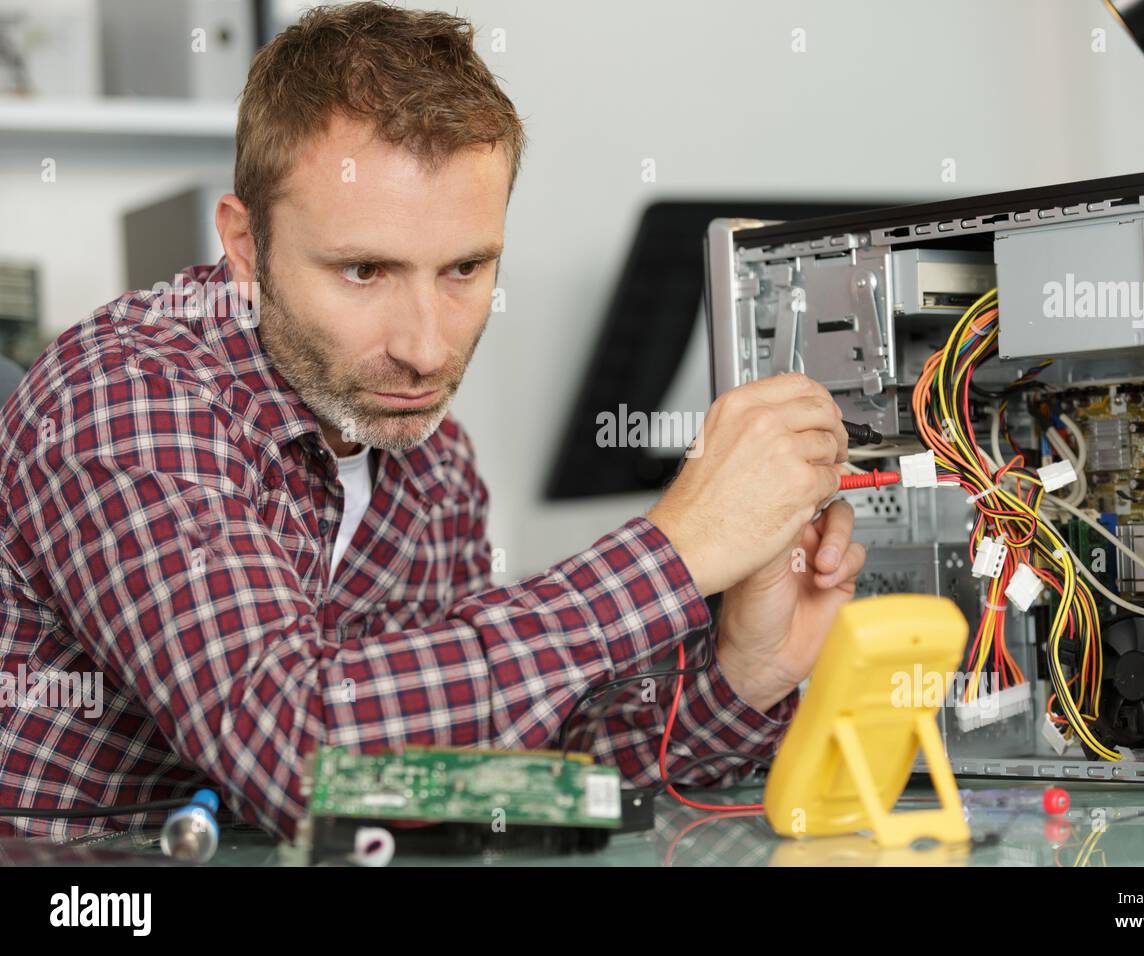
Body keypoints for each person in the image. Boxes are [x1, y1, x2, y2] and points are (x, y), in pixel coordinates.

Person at [0, 1, 865, 842]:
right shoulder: (122, 395)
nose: (424, 349)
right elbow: (297, 751)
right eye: (364, 269)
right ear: (245, 244)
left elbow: (484, 766)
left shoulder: (432, 459)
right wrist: (675, 553)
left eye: (464, 268)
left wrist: (743, 675)